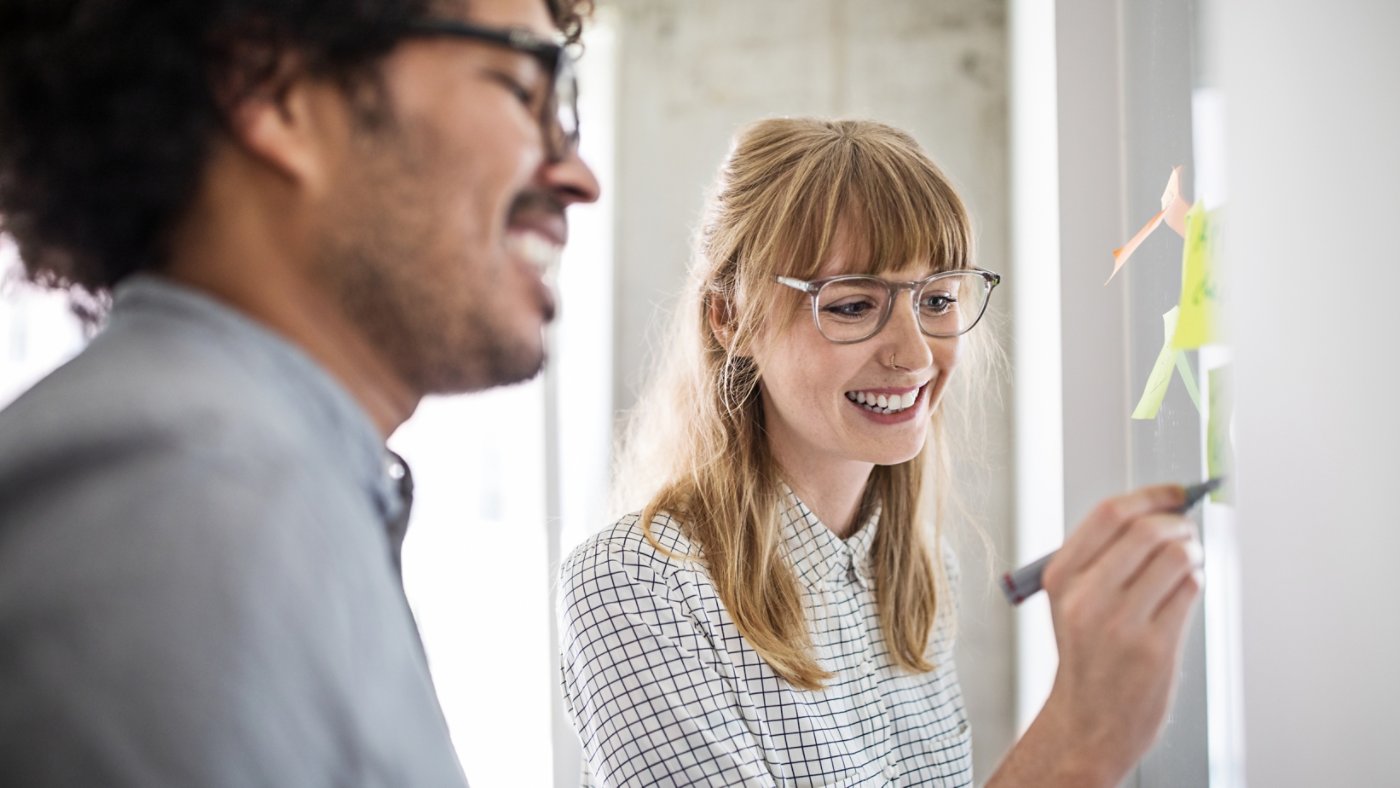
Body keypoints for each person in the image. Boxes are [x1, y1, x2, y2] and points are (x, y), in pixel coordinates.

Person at [0, 0, 599, 783]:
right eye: (526, 89)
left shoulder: (264, 474)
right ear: (273, 91)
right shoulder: (193, 496)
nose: (577, 176)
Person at [558, 117, 1203, 787]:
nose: (916, 353)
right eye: (854, 305)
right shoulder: (636, 589)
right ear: (728, 318)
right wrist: (1078, 741)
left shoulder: (922, 575)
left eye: (937, 299)